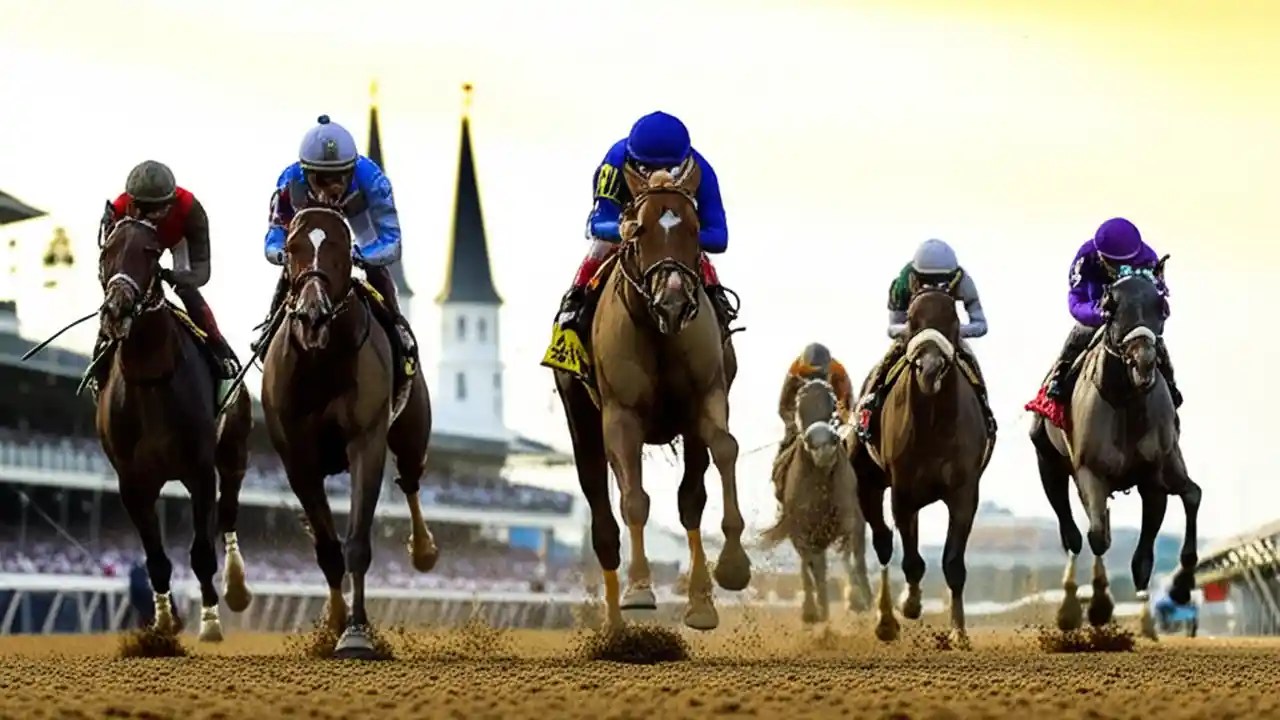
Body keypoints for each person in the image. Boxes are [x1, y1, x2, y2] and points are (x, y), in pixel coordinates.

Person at [541, 111, 738, 376]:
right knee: (598, 249)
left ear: (684, 163)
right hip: (629, 231)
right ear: (634, 161)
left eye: (670, 170)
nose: (659, 176)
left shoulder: (701, 170)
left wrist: (679, 235)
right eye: (646, 169)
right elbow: (596, 224)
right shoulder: (614, 163)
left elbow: (719, 236)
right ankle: (573, 311)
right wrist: (627, 230)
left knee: (698, 259)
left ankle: (720, 314)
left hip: (676, 236)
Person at [256, 115, 416, 364]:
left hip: (356, 213)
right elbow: (275, 235)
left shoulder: (373, 181)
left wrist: (360, 255)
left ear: (352, 170)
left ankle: (397, 326)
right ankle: (270, 325)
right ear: (305, 173)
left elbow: (392, 243)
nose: (331, 188)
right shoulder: (289, 181)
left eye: (341, 177)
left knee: (376, 266)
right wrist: (282, 253)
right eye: (320, 179)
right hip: (307, 216)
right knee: (298, 262)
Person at [91, 160, 240, 402]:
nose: (148, 215)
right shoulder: (119, 208)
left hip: (176, 243)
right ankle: (102, 347)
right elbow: (108, 264)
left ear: (170, 202)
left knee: (187, 291)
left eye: (156, 208)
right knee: (120, 293)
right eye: (141, 207)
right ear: (131, 202)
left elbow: (202, 271)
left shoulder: (189, 208)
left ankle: (219, 347)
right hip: (134, 249)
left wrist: (174, 276)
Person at [1026, 217, 1180, 428]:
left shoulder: (1148, 258)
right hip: (1099, 315)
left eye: (1125, 263)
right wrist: (1098, 313)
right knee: (1077, 337)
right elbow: (1075, 299)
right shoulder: (1085, 257)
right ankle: (1057, 384)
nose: (1119, 268)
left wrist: (1157, 308)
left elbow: (1157, 296)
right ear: (1101, 256)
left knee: (1155, 344)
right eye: (1114, 264)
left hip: (1134, 320)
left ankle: (1171, 388)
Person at [854, 238, 996, 440]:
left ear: (952, 276)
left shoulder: (963, 280)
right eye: (927, 281)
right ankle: (868, 407)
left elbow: (981, 323)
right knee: (884, 367)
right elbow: (892, 326)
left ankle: (984, 411)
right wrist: (916, 331)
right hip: (913, 338)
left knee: (971, 365)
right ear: (916, 277)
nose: (935, 286)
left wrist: (951, 331)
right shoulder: (903, 282)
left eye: (942, 281)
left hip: (949, 339)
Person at [770, 342, 854, 503]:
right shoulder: (794, 372)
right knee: (787, 445)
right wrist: (794, 424)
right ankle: (780, 481)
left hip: (830, 418)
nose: (814, 379)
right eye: (809, 375)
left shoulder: (839, 373)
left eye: (820, 375)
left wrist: (839, 420)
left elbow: (847, 403)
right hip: (802, 419)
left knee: (848, 448)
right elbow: (784, 406)